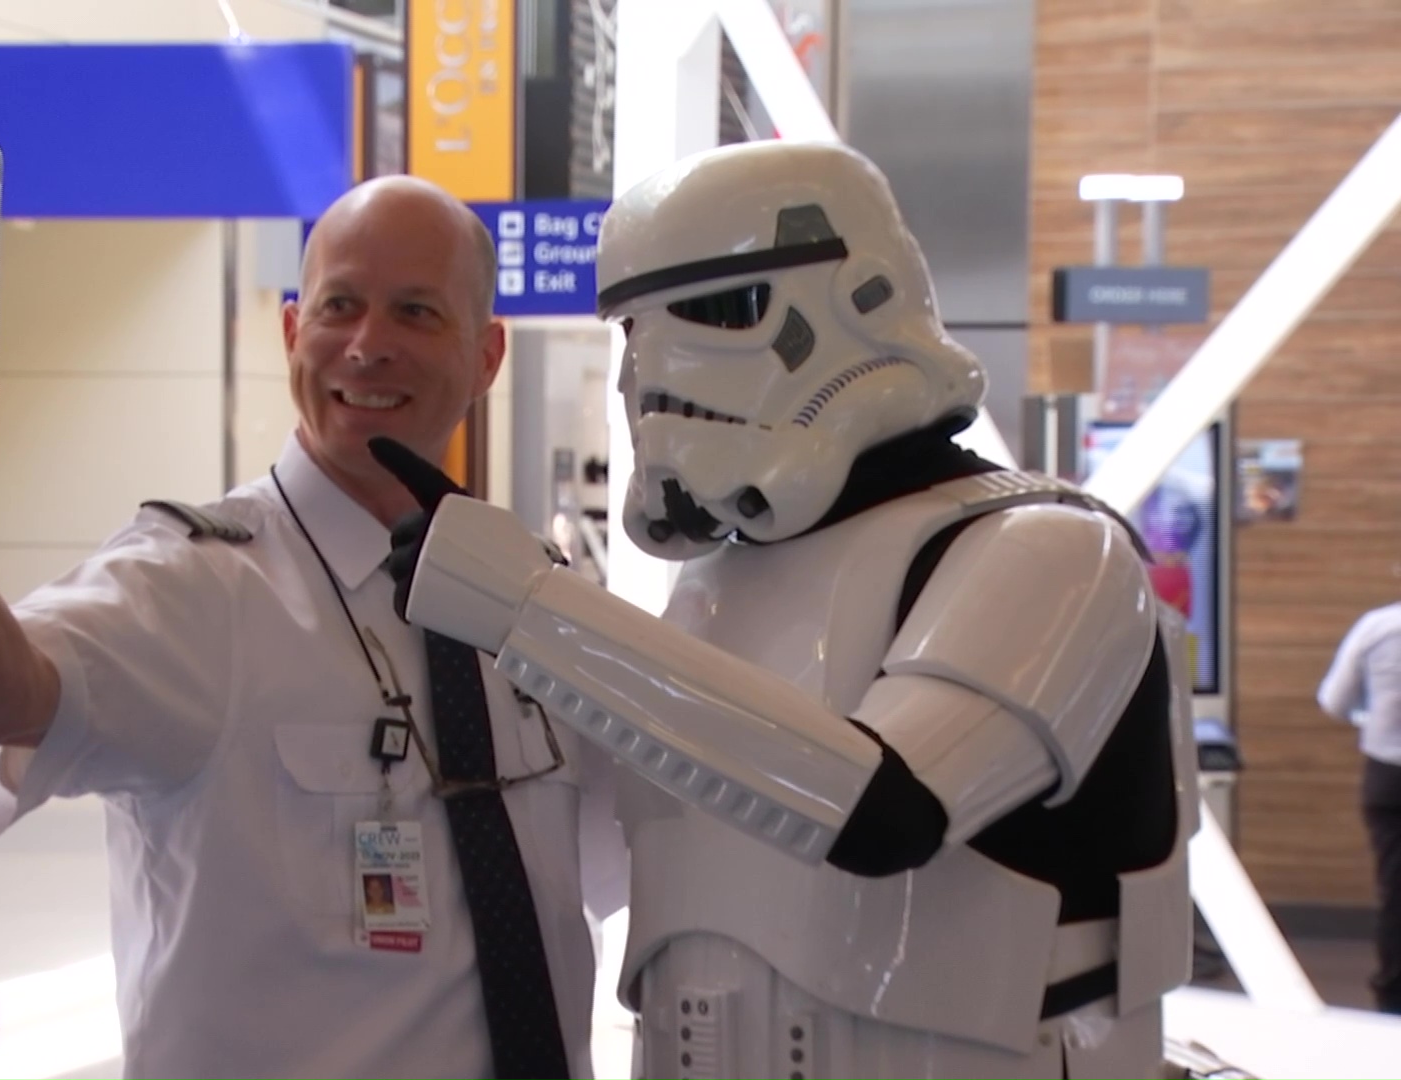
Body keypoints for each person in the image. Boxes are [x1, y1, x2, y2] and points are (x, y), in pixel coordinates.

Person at [380, 140, 1197, 1079]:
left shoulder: (1049, 549)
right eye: (632, 330)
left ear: (864, 301)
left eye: (718, 310)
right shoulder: (715, 587)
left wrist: (531, 607)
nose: (651, 370)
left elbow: (886, 809)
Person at [0, 176, 624, 1080]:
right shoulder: (194, 590)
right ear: (294, 332)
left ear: (487, 356)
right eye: (341, 306)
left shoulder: (535, 609)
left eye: (416, 312)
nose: (370, 346)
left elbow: (660, 867)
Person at [1318, 602, 1401, 1015]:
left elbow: (1334, 701)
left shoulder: (1377, 627)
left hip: (1389, 777)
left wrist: (1368, 716)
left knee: (1396, 889)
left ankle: (1392, 999)